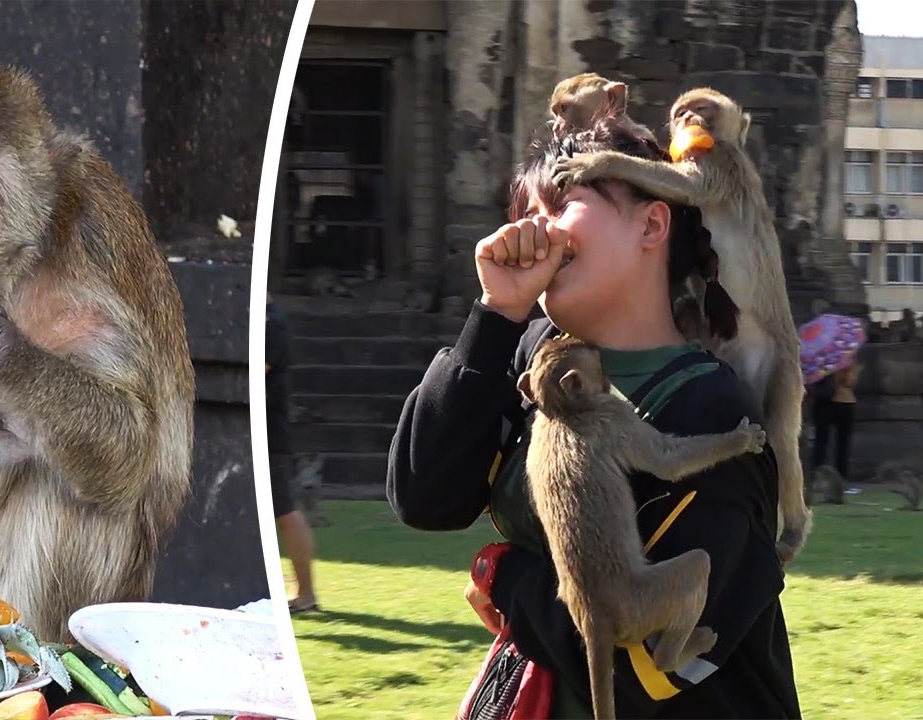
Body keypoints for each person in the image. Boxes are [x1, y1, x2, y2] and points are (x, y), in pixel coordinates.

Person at [386, 120, 800, 718]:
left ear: (652, 225)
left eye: (560, 203)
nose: (533, 228)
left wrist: (507, 579)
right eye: (524, 211)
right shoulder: (537, 361)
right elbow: (423, 497)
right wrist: (496, 314)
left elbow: (653, 670)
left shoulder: (708, 409)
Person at [265, 293, 320, 614]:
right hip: (268, 433)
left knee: (284, 511)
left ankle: (306, 594)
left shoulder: (272, 324)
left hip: (270, 435)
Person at [810, 358, 860, 478]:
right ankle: (840, 475)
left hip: (826, 401)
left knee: (822, 441)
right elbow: (850, 381)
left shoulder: (821, 356)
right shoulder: (847, 356)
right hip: (843, 401)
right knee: (840, 443)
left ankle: (819, 474)